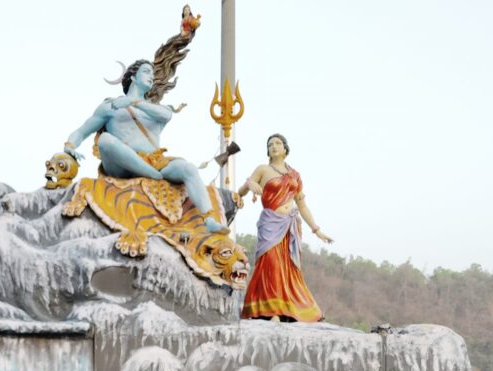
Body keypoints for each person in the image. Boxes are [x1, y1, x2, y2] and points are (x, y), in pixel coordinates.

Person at [64, 59, 225, 233]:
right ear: (133, 77)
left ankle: (208, 218)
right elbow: (81, 132)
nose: (151, 77)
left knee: (188, 168)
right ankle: (153, 175)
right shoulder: (109, 107)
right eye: (146, 71)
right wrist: (70, 145)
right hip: (121, 164)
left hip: (154, 162)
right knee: (105, 140)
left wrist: (134, 103)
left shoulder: (155, 109)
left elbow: (166, 115)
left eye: (153, 74)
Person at [238, 134, 332, 322]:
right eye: (270, 144)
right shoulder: (263, 169)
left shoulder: (294, 175)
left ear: (285, 148)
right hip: (271, 223)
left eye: (278, 143)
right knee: (271, 264)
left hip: (290, 225)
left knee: (288, 268)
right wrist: (250, 183)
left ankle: (288, 312)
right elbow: (241, 191)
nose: (274, 146)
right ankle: (271, 311)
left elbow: (302, 205)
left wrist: (317, 230)